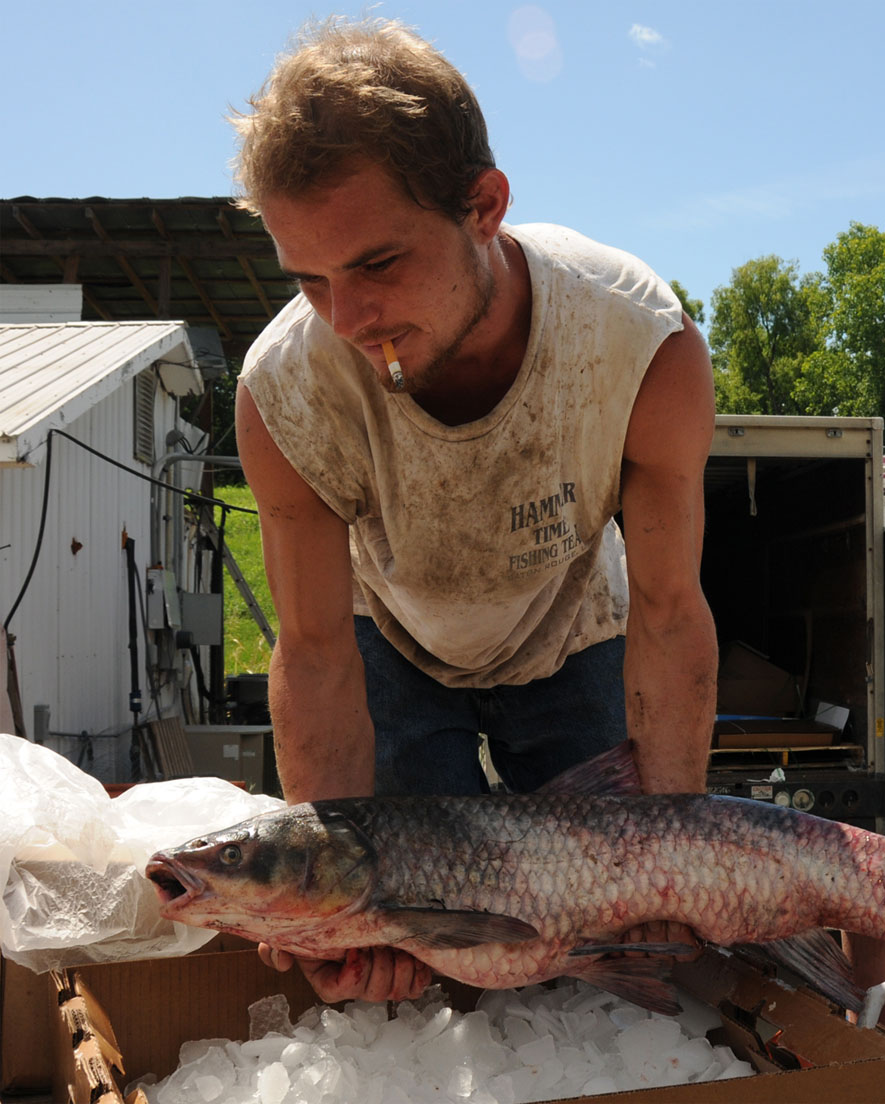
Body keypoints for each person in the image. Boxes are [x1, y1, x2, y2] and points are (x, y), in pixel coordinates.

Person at [232, 17, 718, 1003]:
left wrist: (671, 857)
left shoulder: (637, 345)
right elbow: (316, 652)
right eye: (309, 278)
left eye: (376, 263)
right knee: (423, 976)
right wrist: (328, 911)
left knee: (629, 964)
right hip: (391, 648)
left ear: (484, 206)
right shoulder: (282, 394)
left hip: (576, 632)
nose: (347, 318)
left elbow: (670, 613)